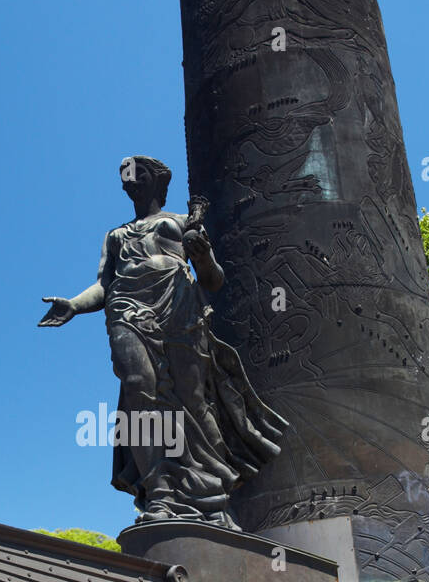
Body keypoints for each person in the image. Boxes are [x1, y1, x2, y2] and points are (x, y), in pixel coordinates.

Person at [39, 155, 286, 527]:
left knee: (194, 401)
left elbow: (213, 280)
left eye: (136, 176)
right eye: (125, 179)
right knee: (138, 388)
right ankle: (159, 494)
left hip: (180, 310)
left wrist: (202, 257)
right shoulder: (115, 235)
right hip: (127, 309)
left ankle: (211, 494)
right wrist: (74, 304)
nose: (129, 183)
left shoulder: (181, 223)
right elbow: (105, 285)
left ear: (156, 181)